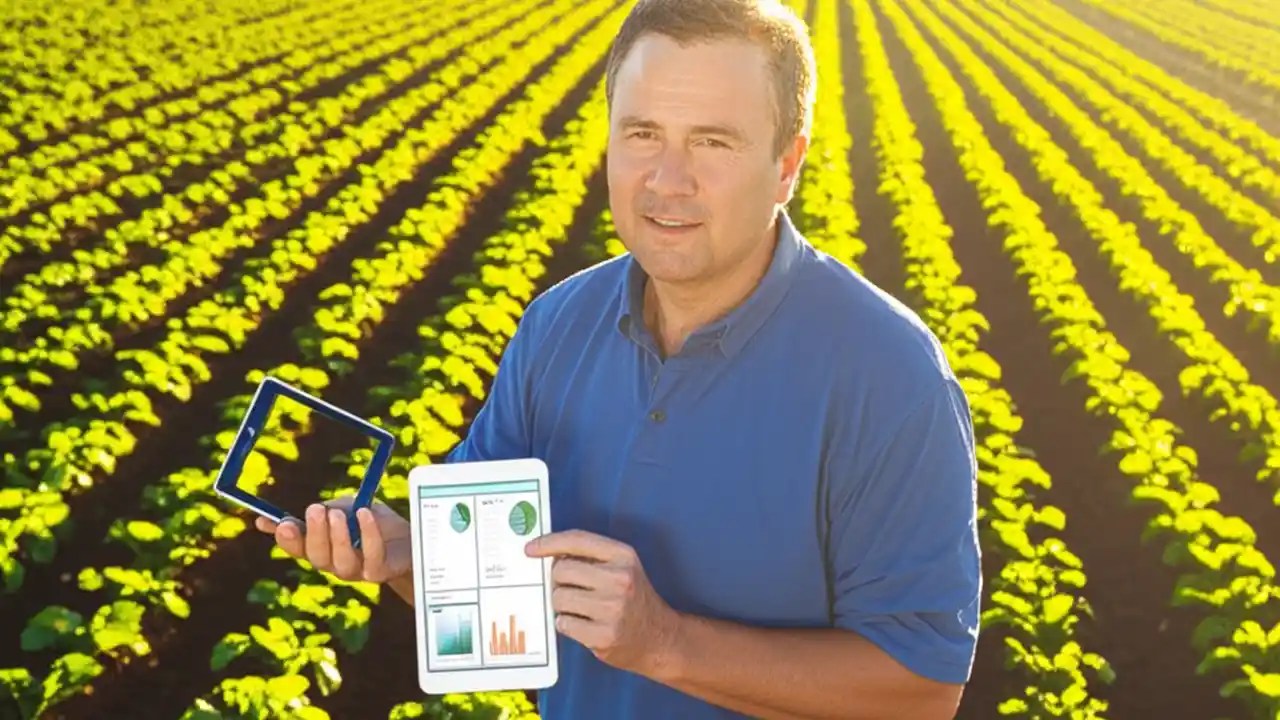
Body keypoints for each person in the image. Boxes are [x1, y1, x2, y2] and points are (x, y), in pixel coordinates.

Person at [255, 0, 982, 717]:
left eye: (712, 142)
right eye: (642, 132)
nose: (667, 180)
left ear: (786, 164)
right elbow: (497, 601)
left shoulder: (889, 376)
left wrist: (664, 643)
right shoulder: (557, 326)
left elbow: (922, 693)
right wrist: (407, 557)